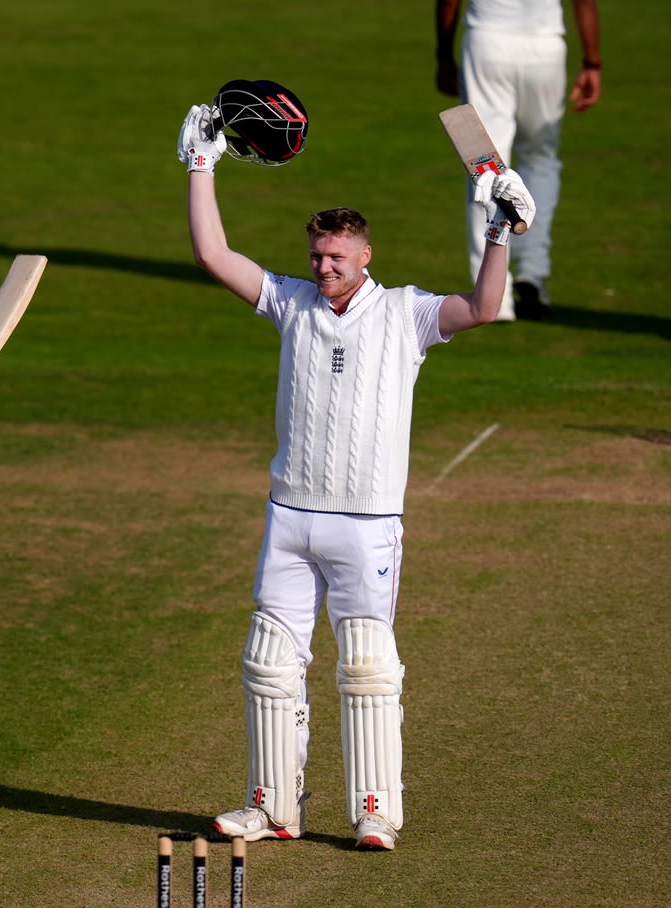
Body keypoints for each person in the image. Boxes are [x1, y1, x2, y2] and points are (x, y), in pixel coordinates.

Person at [177, 103, 535, 850]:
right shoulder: (290, 302)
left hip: (366, 522)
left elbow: (484, 305)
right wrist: (201, 166)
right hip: (290, 515)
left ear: (365, 255)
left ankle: (375, 810)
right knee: (270, 661)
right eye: (317, 255)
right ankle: (274, 806)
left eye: (337, 257)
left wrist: (500, 231)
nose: (323, 267)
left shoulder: (404, 315)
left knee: (368, 666)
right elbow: (215, 255)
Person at [436, 0, 601, 320]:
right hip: (545, 45)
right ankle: (533, 274)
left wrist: (443, 54)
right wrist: (592, 62)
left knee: (484, 169)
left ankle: (494, 300)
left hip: (487, 40)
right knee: (540, 158)